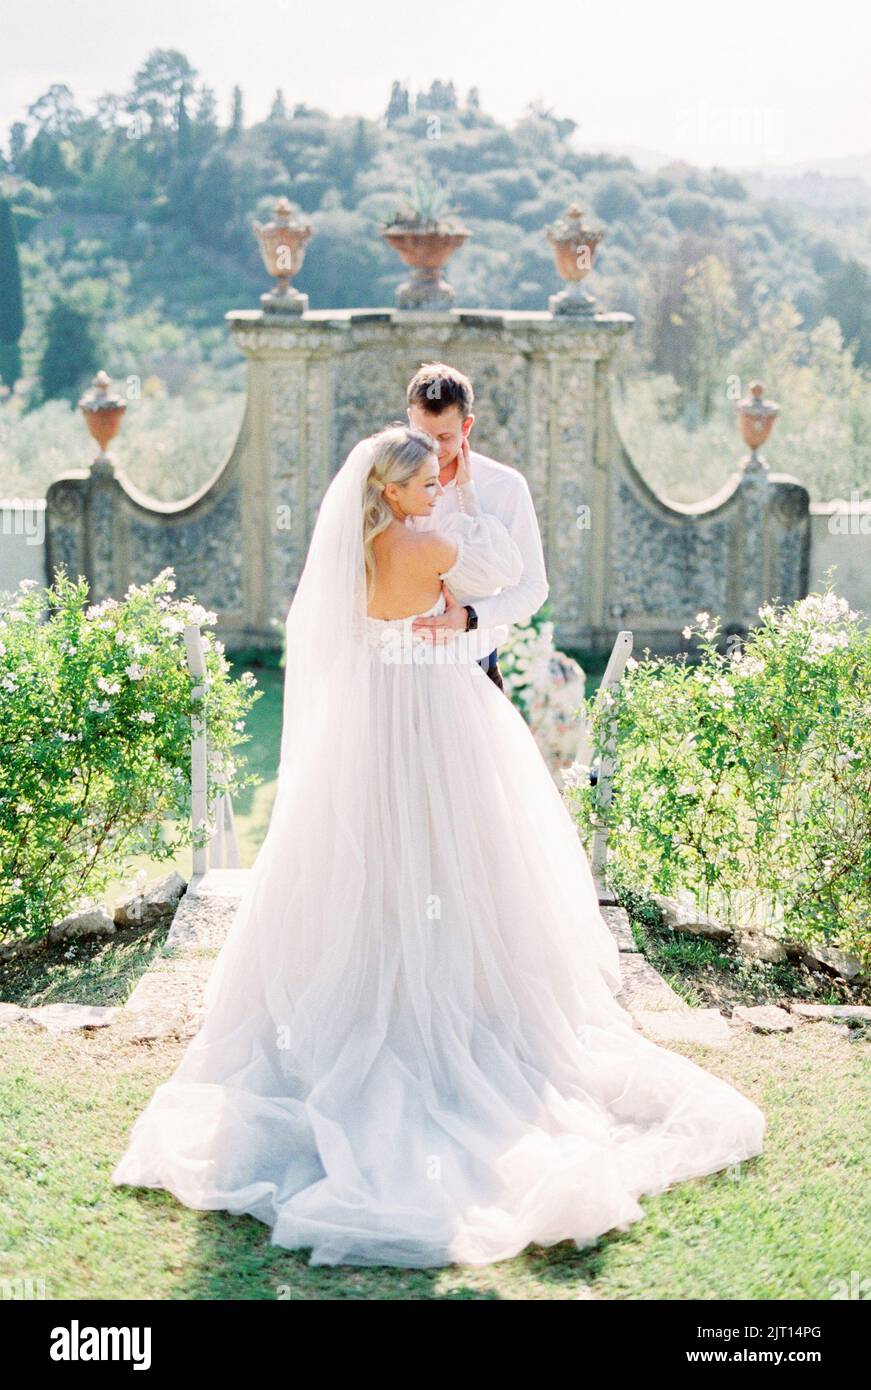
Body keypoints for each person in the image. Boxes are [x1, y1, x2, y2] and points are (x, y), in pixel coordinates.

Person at [110, 423, 766, 1270]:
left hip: (367, 717)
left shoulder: (356, 548)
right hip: (437, 712)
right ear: (391, 490)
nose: (435, 494)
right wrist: (460, 543)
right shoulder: (433, 541)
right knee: (460, 855)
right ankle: (462, 996)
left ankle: (371, 985)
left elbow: (357, 629)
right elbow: (494, 592)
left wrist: (440, 554)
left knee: (370, 857)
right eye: (421, 484)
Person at [404, 361, 548, 691]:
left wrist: (468, 618)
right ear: (409, 417)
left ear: (467, 426)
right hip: (399, 671)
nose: (434, 450)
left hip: (475, 669)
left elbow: (533, 587)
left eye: (445, 437)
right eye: (422, 435)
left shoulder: (505, 486)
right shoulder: (383, 482)